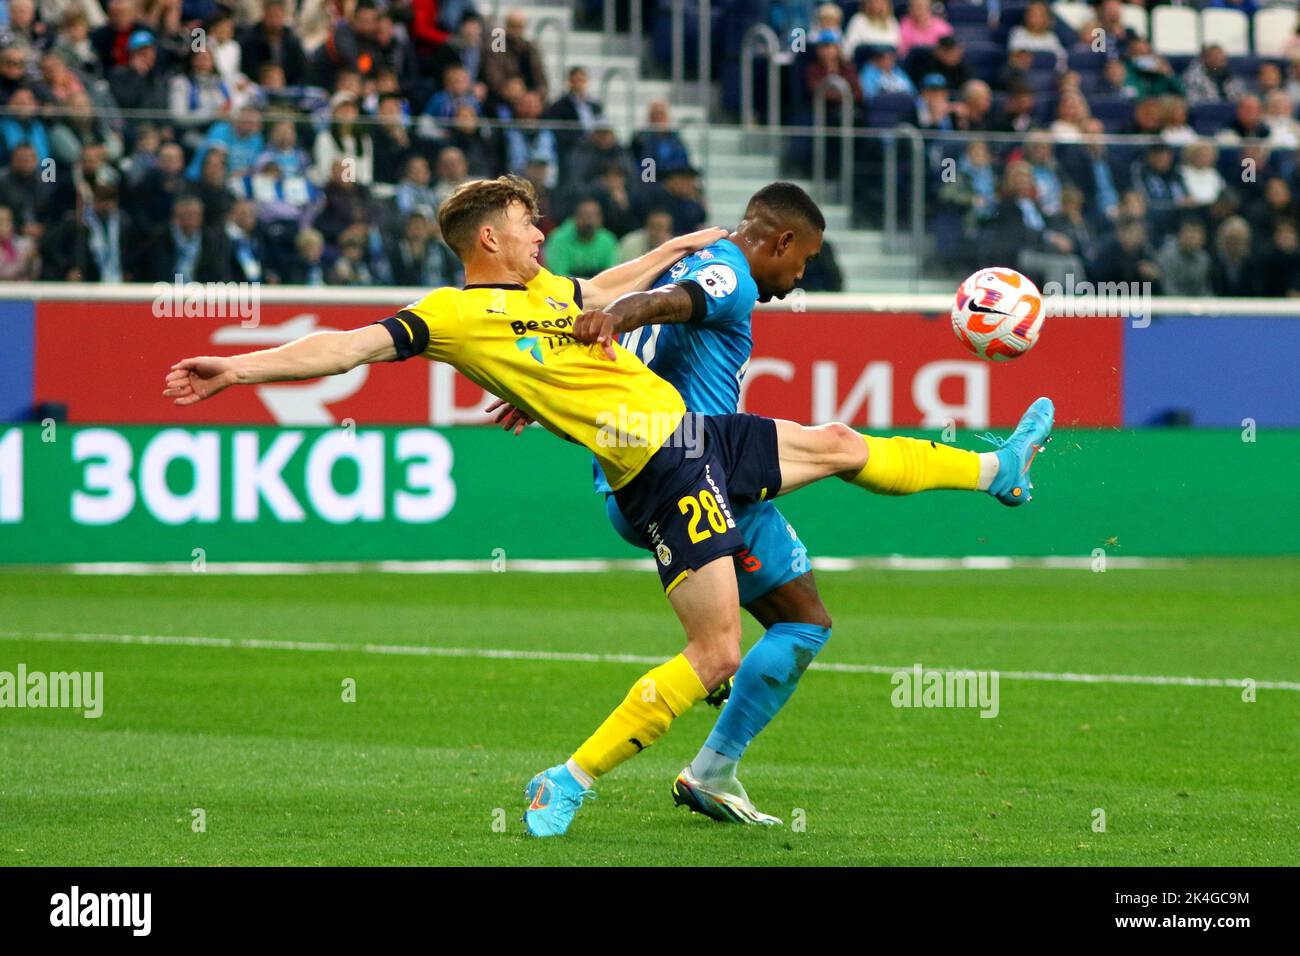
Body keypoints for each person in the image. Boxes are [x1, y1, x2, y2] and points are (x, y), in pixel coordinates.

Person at [162, 176, 1055, 838]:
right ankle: (572, 776)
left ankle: (998, 473)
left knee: (838, 443)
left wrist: (664, 256)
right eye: (524, 224)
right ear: (487, 244)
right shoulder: (454, 314)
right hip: (659, 468)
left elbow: (599, 296)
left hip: (691, 439)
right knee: (713, 653)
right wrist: (236, 367)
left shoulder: (548, 292)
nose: (540, 231)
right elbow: (349, 344)